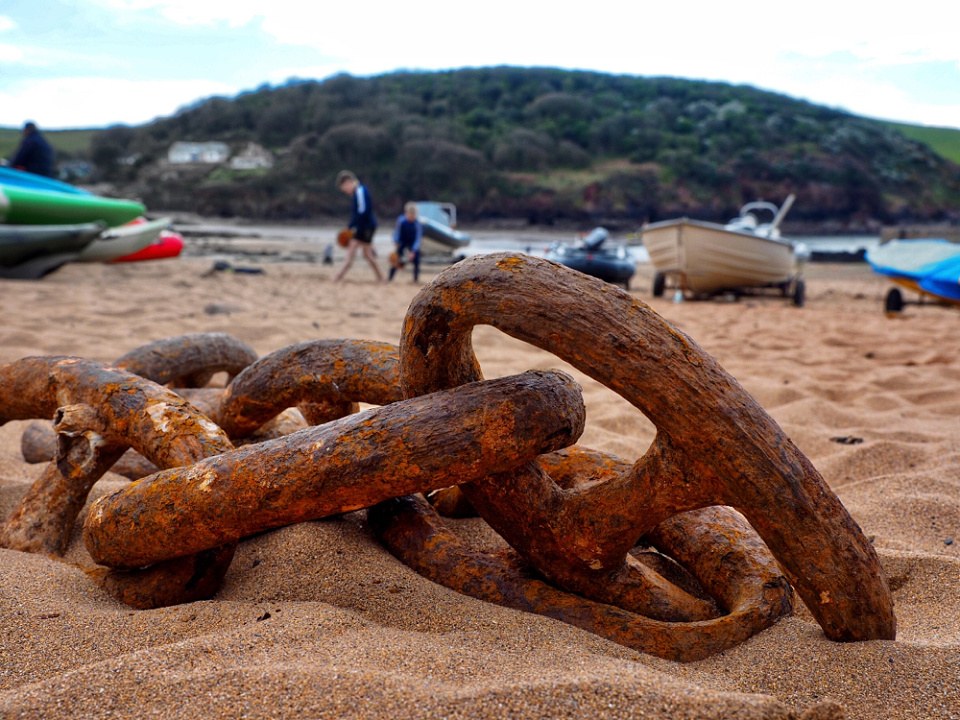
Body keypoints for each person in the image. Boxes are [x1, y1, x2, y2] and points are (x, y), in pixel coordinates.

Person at [333, 170, 384, 283]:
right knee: (366, 254)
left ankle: (338, 277)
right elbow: (359, 213)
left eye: (344, 188)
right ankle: (381, 278)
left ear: (348, 182)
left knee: (360, 252)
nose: (346, 191)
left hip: (366, 227)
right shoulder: (357, 192)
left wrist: (351, 226)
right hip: (364, 226)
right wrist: (351, 226)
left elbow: (362, 212)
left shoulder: (360, 190)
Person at [389, 201, 423, 282]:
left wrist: (414, 251)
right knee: (396, 258)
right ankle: (390, 278)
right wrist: (396, 242)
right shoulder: (401, 221)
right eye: (410, 215)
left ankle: (415, 279)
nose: (411, 217)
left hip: (412, 242)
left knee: (417, 259)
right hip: (402, 241)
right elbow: (396, 232)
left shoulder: (417, 224)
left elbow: (418, 238)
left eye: (413, 215)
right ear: (406, 213)